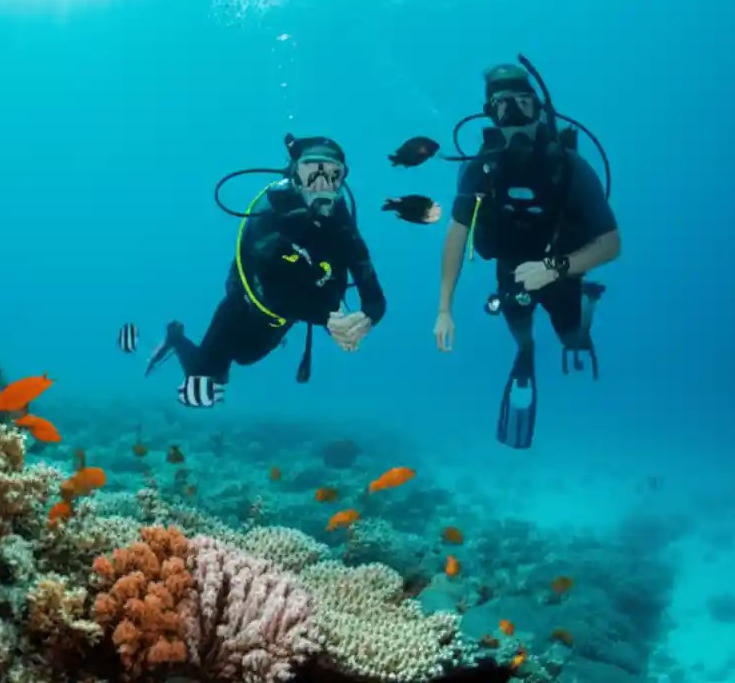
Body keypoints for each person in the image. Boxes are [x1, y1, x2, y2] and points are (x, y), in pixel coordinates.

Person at [433, 58, 621, 448]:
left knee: (572, 340)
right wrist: (443, 309)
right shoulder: (479, 171)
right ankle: (525, 356)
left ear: (540, 109)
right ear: (490, 115)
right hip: (511, 271)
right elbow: (456, 234)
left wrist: (555, 269)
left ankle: (585, 305)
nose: (514, 115)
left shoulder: (570, 167)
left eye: (523, 103)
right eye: (503, 106)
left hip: (563, 269)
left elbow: (611, 243)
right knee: (522, 338)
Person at [145, 134, 397, 407]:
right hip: (245, 305)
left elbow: (373, 293)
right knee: (208, 376)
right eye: (312, 172)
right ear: (295, 174)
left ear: (341, 179)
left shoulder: (341, 221)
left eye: (332, 175)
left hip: (286, 315)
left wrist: (365, 321)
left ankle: (185, 341)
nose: (321, 185)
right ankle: (176, 336)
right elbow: (271, 291)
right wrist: (329, 319)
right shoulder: (272, 213)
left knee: (246, 357)